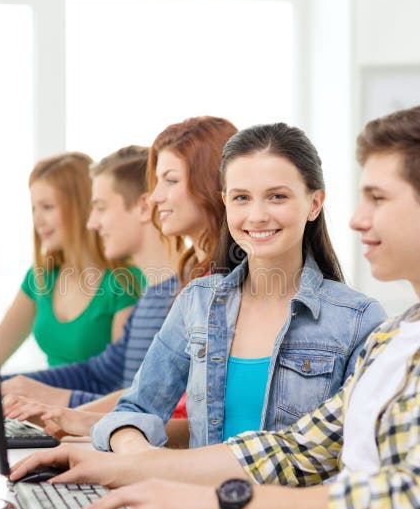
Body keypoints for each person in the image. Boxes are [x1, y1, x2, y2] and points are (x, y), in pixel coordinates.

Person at [10, 105, 420, 509]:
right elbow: (293, 448)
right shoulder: (398, 336)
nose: (356, 218)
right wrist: (124, 467)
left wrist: (222, 503)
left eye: (377, 197)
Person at [76, 122, 385, 455]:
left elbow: (357, 452)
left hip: (289, 506)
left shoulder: (358, 320)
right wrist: (143, 455)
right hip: (192, 503)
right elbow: (134, 410)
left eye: (277, 197)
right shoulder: (196, 302)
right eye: (241, 198)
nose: (257, 215)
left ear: (314, 203)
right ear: (225, 202)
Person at [0, 117, 239, 431]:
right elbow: (131, 387)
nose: (92, 223)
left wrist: (72, 416)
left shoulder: (201, 288)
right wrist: (35, 397)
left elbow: (166, 409)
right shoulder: (182, 287)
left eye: (169, 180)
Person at [0, 152, 143, 394]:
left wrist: (22, 391)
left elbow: (119, 387)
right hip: (47, 411)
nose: (37, 220)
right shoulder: (42, 276)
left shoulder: (125, 281)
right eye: (34, 209)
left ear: (84, 207)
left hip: (83, 418)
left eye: (47, 207)